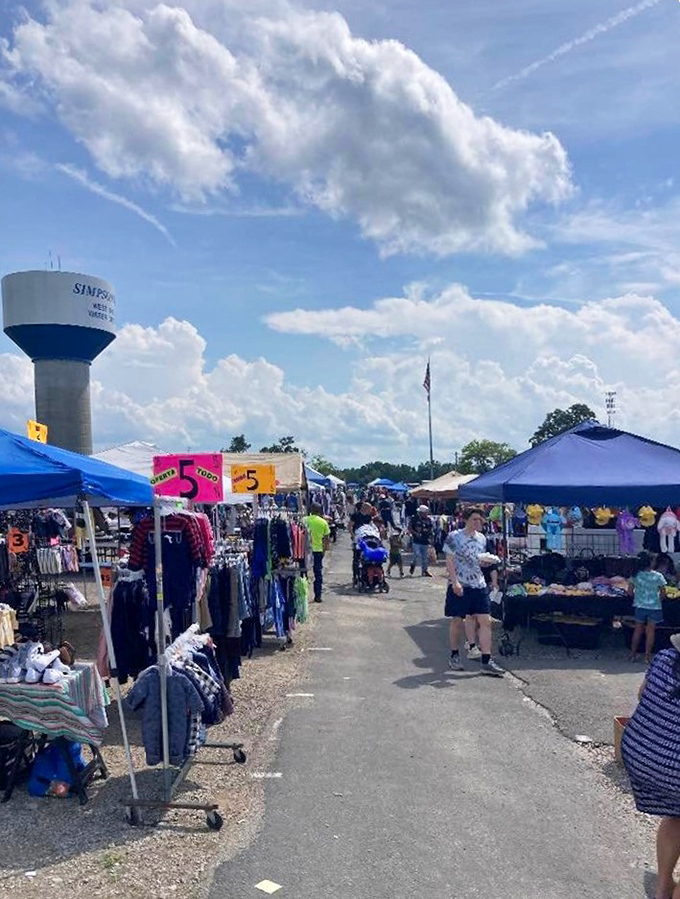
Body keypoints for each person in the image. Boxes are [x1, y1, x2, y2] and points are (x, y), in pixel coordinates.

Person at [622, 634, 680, 899]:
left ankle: (663, 886)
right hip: (673, 767)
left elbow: (641, 694)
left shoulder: (665, 658)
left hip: (642, 751)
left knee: (676, 816)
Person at [444, 508, 504, 677]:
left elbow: (481, 559)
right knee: (457, 620)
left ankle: (486, 660)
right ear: (466, 520)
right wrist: (454, 581)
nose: (479, 523)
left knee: (485, 620)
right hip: (461, 584)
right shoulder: (454, 536)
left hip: (478, 583)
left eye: (481, 520)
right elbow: (449, 560)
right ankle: (454, 655)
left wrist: (486, 565)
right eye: (475, 519)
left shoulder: (482, 538)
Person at [629, 551, 667, 664]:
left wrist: (638, 597)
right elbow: (663, 593)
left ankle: (632, 654)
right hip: (654, 607)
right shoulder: (658, 576)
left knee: (637, 630)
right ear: (651, 562)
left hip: (640, 606)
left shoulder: (635, 575)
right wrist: (658, 600)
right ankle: (647, 656)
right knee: (650, 632)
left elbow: (629, 592)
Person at [303, 503, 331, 603]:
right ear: (320, 511)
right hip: (317, 550)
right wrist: (324, 550)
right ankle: (317, 596)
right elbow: (327, 539)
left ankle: (303, 596)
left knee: (303, 572)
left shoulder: (304, 520)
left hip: (305, 551)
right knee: (318, 574)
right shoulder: (323, 522)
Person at [409, 505, 434, 577]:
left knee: (425, 557)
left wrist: (431, 538)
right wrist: (415, 533)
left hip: (425, 541)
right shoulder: (414, 519)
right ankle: (413, 564)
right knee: (416, 555)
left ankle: (424, 571)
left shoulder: (429, 520)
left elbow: (431, 530)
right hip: (416, 541)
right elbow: (410, 527)